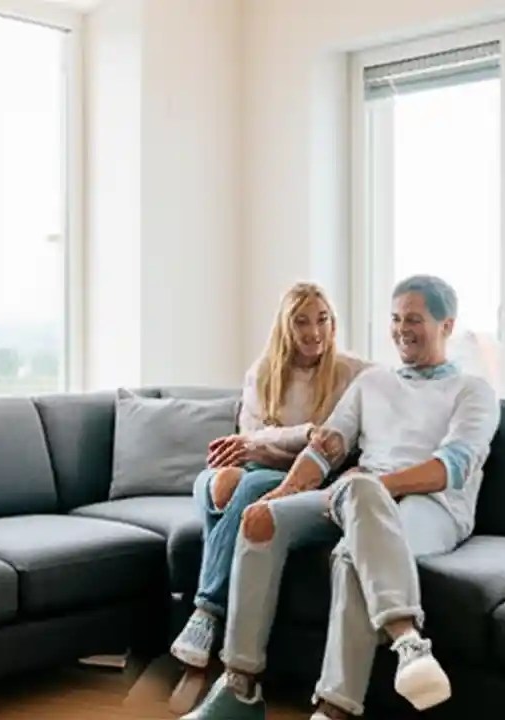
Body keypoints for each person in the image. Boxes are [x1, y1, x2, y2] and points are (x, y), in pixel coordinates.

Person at [183, 275, 501, 720]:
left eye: (414, 319)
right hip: (353, 494)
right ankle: (239, 688)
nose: (401, 329)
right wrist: (281, 494)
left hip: (434, 508)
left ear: (447, 325)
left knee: (353, 551)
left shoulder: (473, 391)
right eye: (395, 319)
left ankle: (336, 708)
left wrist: (370, 485)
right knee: (259, 519)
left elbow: (449, 470)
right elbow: (324, 445)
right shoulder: (373, 383)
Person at [168, 282, 370, 712]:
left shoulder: (354, 373)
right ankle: (215, 636)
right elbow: (251, 440)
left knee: (248, 489)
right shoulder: (263, 373)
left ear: (334, 323)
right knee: (220, 483)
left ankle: (207, 613)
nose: (314, 331)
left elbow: (330, 441)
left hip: (295, 480)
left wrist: (296, 441)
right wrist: (300, 434)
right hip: (254, 471)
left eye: (322, 320)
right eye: (301, 321)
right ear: (285, 326)